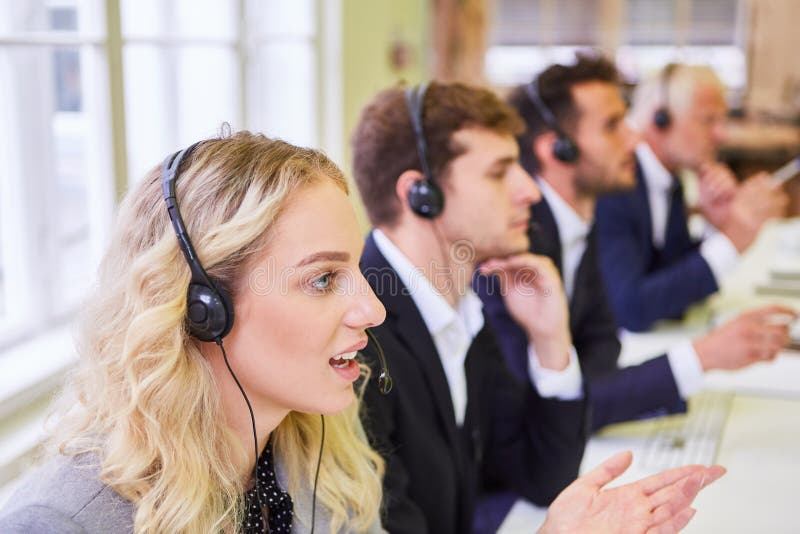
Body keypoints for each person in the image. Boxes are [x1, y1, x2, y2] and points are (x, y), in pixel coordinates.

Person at [351, 81, 725, 534]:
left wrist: (551, 340)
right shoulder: (358, 345)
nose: (528, 189)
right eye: (498, 172)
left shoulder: (464, 314)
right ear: (420, 194)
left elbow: (541, 476)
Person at [0, 131, 387, 533]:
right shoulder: (60, 521)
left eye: (357, 268)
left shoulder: (322, 449)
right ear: (206, 307)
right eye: (323, 279)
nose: (374, 310)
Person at [480, 54, 795, 434]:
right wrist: (702, 356)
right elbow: (545, 410)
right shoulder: (511, 249)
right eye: (613, 126)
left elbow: (600, 362)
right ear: (557, 149)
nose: (634, 136)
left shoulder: (582, 219)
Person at [595, 63, 788, 332]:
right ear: (660, 120)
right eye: (708, 120)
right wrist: (734, 238)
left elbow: (672, 283)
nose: (721, 134)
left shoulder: (671, 178)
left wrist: (716, 228)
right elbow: (632, 308)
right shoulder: (617, 184)